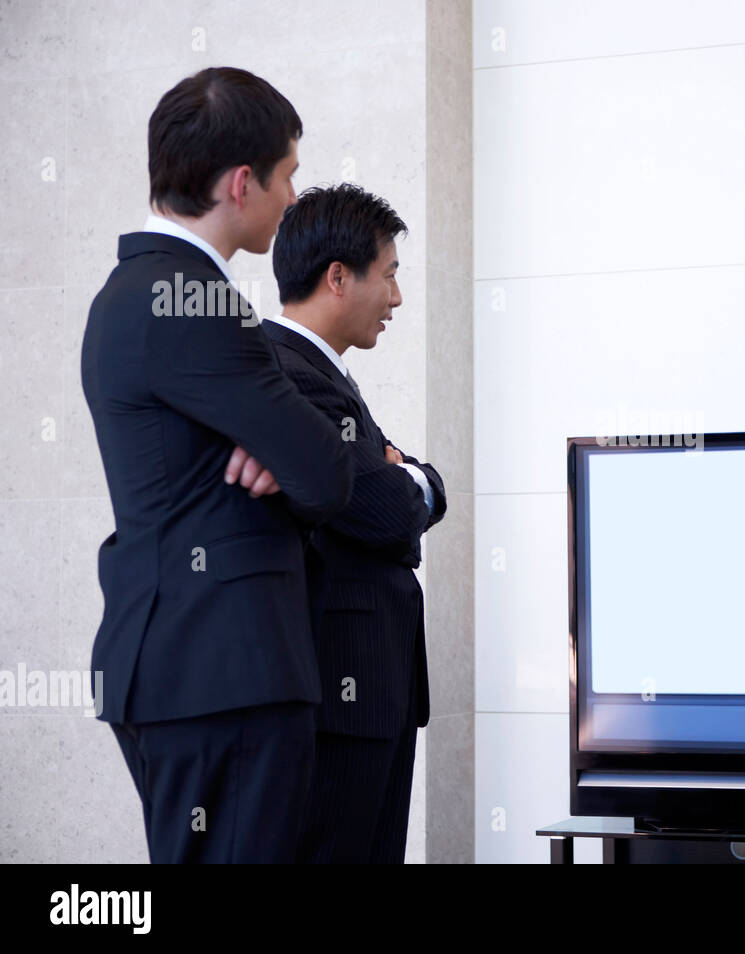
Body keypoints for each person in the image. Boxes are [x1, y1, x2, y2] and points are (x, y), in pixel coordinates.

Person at [82, 67, 354, 863]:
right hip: (223, 669)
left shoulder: (129, 291)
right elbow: (328, 473)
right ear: (242, 183)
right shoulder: (193, 299)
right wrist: (289, 446)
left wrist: (281, 445)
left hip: (176, 660)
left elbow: (296, 457)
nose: (293, 197)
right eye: (289, 176)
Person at [262, 183, 446, 863]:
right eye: (390, 275)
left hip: (372, 696)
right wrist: (406, 479)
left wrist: (410, 477)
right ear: (338, 277)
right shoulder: (289, 373)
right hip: (342, 701)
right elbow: (390, 511)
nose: (397, 298)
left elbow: (418, 487)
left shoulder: (325, 375)